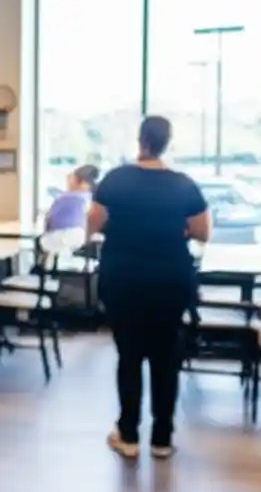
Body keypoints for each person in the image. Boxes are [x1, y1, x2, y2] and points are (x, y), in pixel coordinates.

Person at [88, 115, 210, 459]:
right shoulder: (183, 185)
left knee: (129, 356)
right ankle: (162, 438)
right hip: (171, 280)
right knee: (166, 358)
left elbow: (93, 223)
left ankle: (128, 435)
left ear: (140, 140)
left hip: (123, 278)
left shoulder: (115, 179)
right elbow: (202, 232)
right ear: (167, 142)